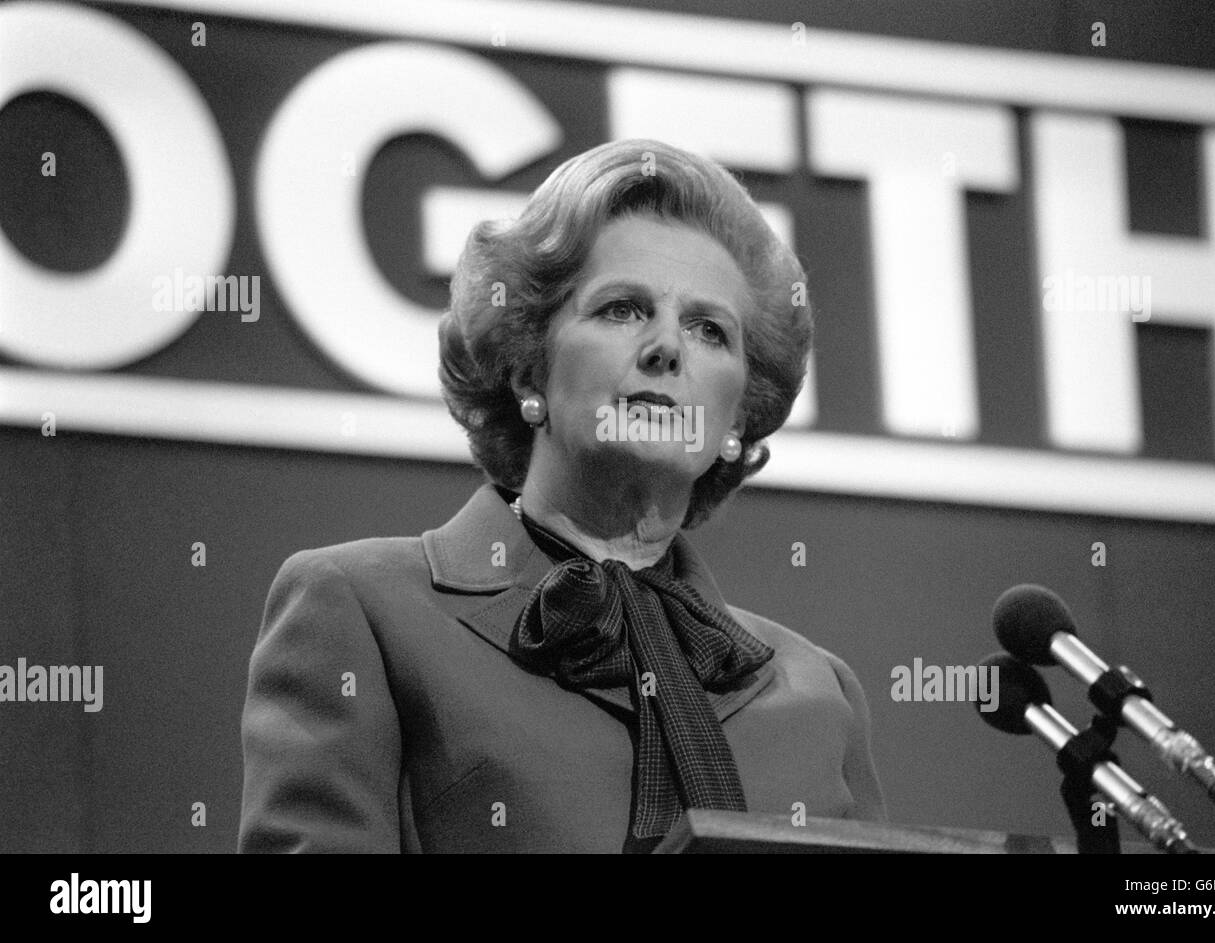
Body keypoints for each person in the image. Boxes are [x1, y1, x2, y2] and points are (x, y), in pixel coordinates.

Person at [238, 138, 886, 853]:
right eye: (621, 309)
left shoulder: (821, 694)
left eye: (709, 330)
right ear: (528, 372)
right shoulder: (363, 609)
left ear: (737, 419)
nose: (667, 346)